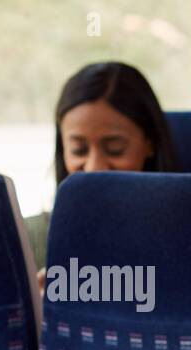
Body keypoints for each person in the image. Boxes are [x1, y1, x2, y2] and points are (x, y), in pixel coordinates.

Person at [25, 61, 177, 273]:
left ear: (150, 144)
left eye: (115, 149)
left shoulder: (185, 238)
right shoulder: (28, 239)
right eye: (79, 150)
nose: (94, 168)